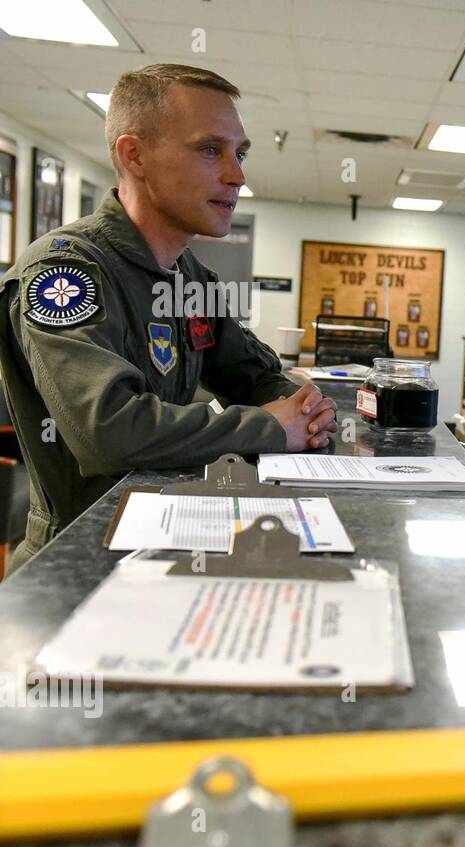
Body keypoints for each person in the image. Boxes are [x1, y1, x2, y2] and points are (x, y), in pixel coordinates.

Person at [0, 64, 337, 574]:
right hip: (76, 564)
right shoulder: (65, 271)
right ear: (133, 155)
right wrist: (270, 426)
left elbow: (254, 376)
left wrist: (304, 408)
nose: (237, 175)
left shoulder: (190, 279)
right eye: (210, 150)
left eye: (239, 153)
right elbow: (109, 431)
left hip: (165, 537)